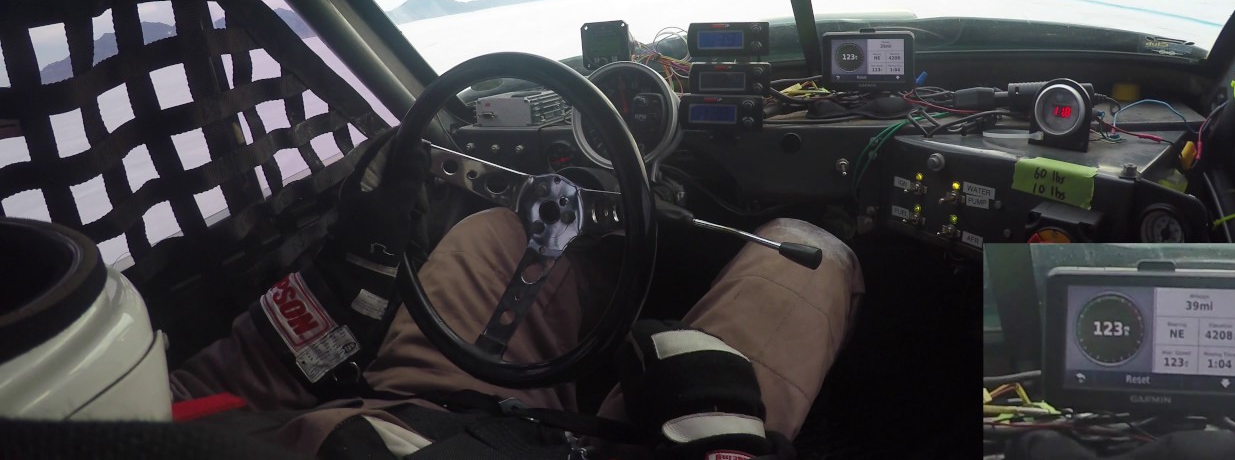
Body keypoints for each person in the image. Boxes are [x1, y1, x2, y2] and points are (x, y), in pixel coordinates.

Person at [167, 144, 864, 459]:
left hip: (396, 422)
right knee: (805, 250)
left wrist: (343, 275)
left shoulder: (99, 422)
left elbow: (211, 393)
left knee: (506, 231)